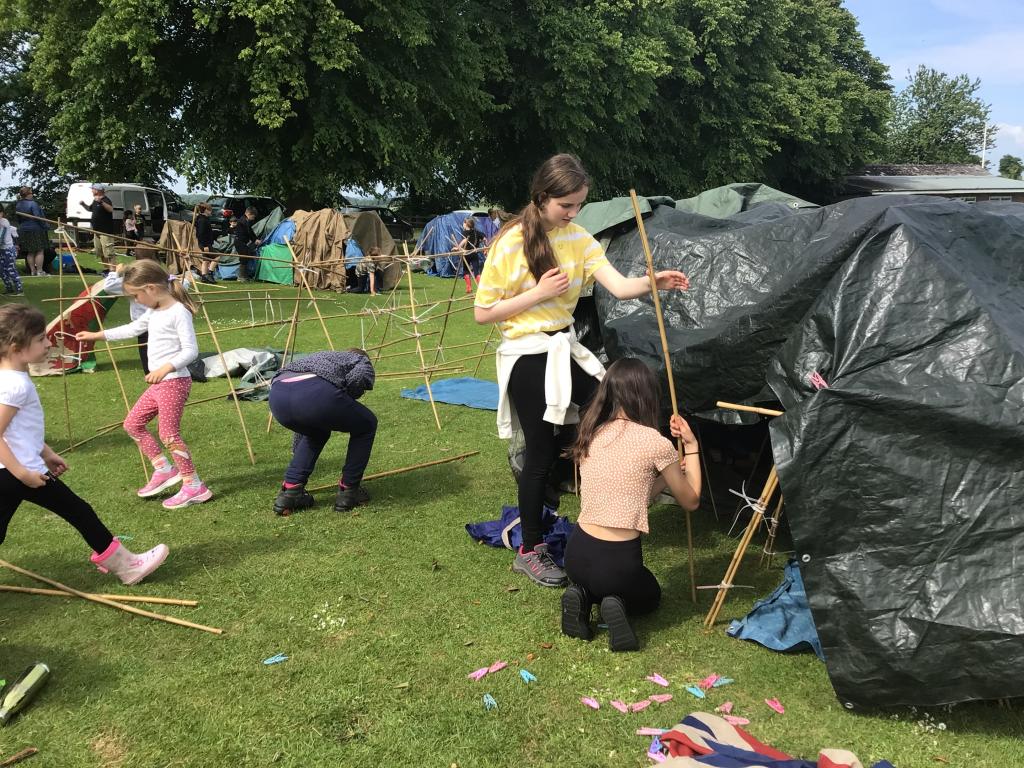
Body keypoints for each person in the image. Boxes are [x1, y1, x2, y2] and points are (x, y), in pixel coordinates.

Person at [474, 153, 689, 588]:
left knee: (612, 416)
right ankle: (531, 550)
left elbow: (619, 286)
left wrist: (653, 281)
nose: (573, 213)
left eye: (578, 205)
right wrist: (537, 294)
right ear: (542, 197)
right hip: (528, 354)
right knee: (540, 453)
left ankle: (615, 511)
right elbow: (483, 313)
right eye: (566, 205)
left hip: (564, 348)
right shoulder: (510, 242)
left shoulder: (578, 237)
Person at [0, 305, 169, 584]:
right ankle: (128, 567)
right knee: (79, 511)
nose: (48, 343)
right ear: (17, 348)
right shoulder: (15, 386)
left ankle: (125, 564)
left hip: (11, 470)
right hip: (18, 471)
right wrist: (22, 473)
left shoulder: (10, 378)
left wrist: (46, 452)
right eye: (41, 339)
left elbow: (18, 431)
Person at [560, 358, 701, 651]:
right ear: (646, 394)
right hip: (618, 563)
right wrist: (691, 447)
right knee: (650, 595)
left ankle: (584, 595)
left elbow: (635, 494)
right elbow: (691, 501)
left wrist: (665, 476)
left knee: (599, 582)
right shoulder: (655, 442)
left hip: (576, 555)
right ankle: (615, 602)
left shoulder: (592, 432)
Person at [75, 260, 210, 509]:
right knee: (133, 424)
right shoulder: (154, 311)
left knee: (169, 434)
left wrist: (165, 368)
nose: (135, 301)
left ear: (150, 288)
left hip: (174, 382)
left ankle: (194, 485)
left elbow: (191, 350)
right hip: (159, 384)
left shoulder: (178, 312)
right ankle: (164, 469)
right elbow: (133, 328)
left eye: (135, 295)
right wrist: (96, 335)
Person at [268, 349, 377, 516]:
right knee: (367, 424)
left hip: (277, 396)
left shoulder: (323, 358)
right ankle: (349, 490)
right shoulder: (359, 359)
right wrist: (346, 397)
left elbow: (305, 417)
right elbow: (360, 376)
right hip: (314, 392)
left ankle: (290, 492)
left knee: (316, 432)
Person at [101, 263, 151, 373]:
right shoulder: (161, 281)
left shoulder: (133, 282)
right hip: (143, 326)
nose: (136, 299)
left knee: (151, 366)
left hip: (145, 328)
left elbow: (109, 287)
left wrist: (115, 272)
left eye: (135, 295)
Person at [79, 184, 118, 272]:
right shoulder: (95, 200)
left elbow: (111, 209)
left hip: (105, 232)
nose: (91, 191)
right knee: (100, 252)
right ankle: (107, 269)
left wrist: (101, 202)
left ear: (97, 190)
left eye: (92, 189)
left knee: (109, 253)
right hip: (96, 232)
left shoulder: (106, 200)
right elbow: (90, 209)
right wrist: (83, 204)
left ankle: (113, 271)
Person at [14, 187, 48, 277]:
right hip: (35, 229)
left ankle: (33, 271)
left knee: (30, 252)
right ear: (28, 194)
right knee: (39, 250)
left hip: (23, 229)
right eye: (31, 193)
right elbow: (38, 217)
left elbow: (19, 219)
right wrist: (45, 226)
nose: (32, 195)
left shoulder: (18, 205)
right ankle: (39, 271)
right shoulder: (33, 204)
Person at [455, 216, 485, 293]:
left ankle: (469, 288)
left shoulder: (465, 233)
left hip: (467, 254)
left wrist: (458, 247)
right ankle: (480, 288)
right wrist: (481, 243)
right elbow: (484, 238)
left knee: (466, 270)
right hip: (474, 253)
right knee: (476, 271)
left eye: (463, 223)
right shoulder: (476, 232)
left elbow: (465, 240)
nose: (463, 224)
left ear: (466, 224)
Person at [0, 205, 23, 296]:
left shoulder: (4, 222)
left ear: (1, 213)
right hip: (1, 250)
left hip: (8, 250)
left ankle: (19, 288)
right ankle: (9, 288)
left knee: (10, 269)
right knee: (1, 270)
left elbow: (1, 239)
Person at [233, 206, 260, 281]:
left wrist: (255, 239)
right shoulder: (242, 222)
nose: (253, 218)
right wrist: (254, 240)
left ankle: (244, 276)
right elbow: (248, 233)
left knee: (246, 257)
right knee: (243, 258)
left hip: (243, 242)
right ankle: (241, 276)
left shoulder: (246, 221)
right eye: (253, 216)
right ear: (248, 214)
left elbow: (251, 231)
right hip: (239, 242)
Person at [194, 203, 217, 284]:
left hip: (205, 243)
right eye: (210, 210)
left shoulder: (203, 218)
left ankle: (204, 276)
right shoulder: (202, 220)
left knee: (206, 260)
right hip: (204, 244)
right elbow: (200, 234)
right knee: (217, 257)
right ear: (206, 210)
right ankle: (210, 274)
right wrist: (205, 246)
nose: (211, 212)